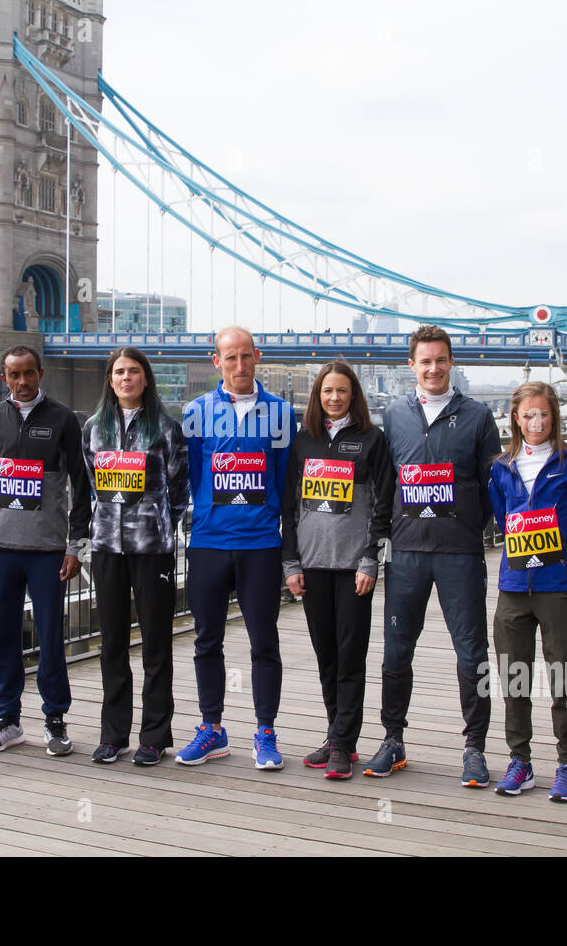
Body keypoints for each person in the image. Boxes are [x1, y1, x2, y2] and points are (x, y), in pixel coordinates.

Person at [364, 324, 502, 785]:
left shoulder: (479, 417)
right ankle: (393, 739)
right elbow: (386, 485)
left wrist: (468, 527)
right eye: (425, 361)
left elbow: (492, 488)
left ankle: (474, 747)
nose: (433, 368)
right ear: (411, 366)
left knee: (471, 653)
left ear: (451, 362)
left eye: (441, 360)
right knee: (396, 652)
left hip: (459, 554)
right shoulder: (395, 416)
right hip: (406, 553)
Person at [0, 345, 91, 757]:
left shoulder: (63, 420)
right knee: (2, 638)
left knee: (51, 636)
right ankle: (7, 719)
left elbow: (81, 485)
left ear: (41, 373)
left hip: (49, 551)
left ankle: (56, 720)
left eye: (29, 374)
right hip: (0, 549)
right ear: (4, 378)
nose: (22, 382)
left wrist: (76, 545)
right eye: (14, 375)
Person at [178, 326, 296, 769]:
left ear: (257, 356)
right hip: (209, 541)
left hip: (261, 544)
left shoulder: (282, 413)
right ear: (217, 362)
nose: (240, 366)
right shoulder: (195, 412)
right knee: (207, 640)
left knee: (264, 641)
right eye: (231, 358)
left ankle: (265, 731)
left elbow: (286, 483)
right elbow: (192, 474)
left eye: (246, 357)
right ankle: (212, 728)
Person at [488, 381, 567, 802]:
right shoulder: (501, 468)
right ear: (515, 419)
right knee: (513, 676)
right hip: (514, 587)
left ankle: (566, 763)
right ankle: (520, 760)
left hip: (558, 588)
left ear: (553, 416)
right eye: (527, 415)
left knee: (565, 675)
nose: (536, 422)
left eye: (543, 414)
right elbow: (503, 519)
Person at [283, 360, 393, 780]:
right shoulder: (303, 443)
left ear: (353, 396)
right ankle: (334, 734)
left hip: (352, 568)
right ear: (317, 396)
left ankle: (345, 744)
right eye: (327, 391)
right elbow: (289, 509)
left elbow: (383, 507)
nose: (334, 398)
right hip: (312, 565)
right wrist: (291, 564)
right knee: (326, 656)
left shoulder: (372, 440)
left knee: (350, 657)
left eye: (342, 391)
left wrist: (371, 559)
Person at [82, 348, 190, 766]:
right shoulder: (93, 428)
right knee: (111, 644)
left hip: (153, 550)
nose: (126, 378)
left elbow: (180, 489)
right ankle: (113, 735)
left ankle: (155, 736)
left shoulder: (166, 428)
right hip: (107, 548)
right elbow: (92, 484)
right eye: (118, 372)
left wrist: (158, 522)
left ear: (146, 378)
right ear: (110, 380)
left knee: (156, 645)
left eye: (134, 371)